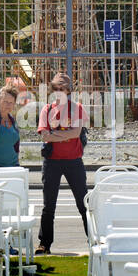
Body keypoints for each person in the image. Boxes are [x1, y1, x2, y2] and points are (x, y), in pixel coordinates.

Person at [35, 72, 89, 255]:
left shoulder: (77, 108)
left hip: (74, 161)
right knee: (48, 205)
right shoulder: (47, 109)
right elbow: (44, 135)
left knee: (84, 203)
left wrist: (55, 134)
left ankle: (93, 239)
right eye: (56, 89)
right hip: (52, 162)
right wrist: (65, 135)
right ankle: (44, 244)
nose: (59, 92)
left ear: (69, 91)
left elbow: (75, 133)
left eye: (63, 89)